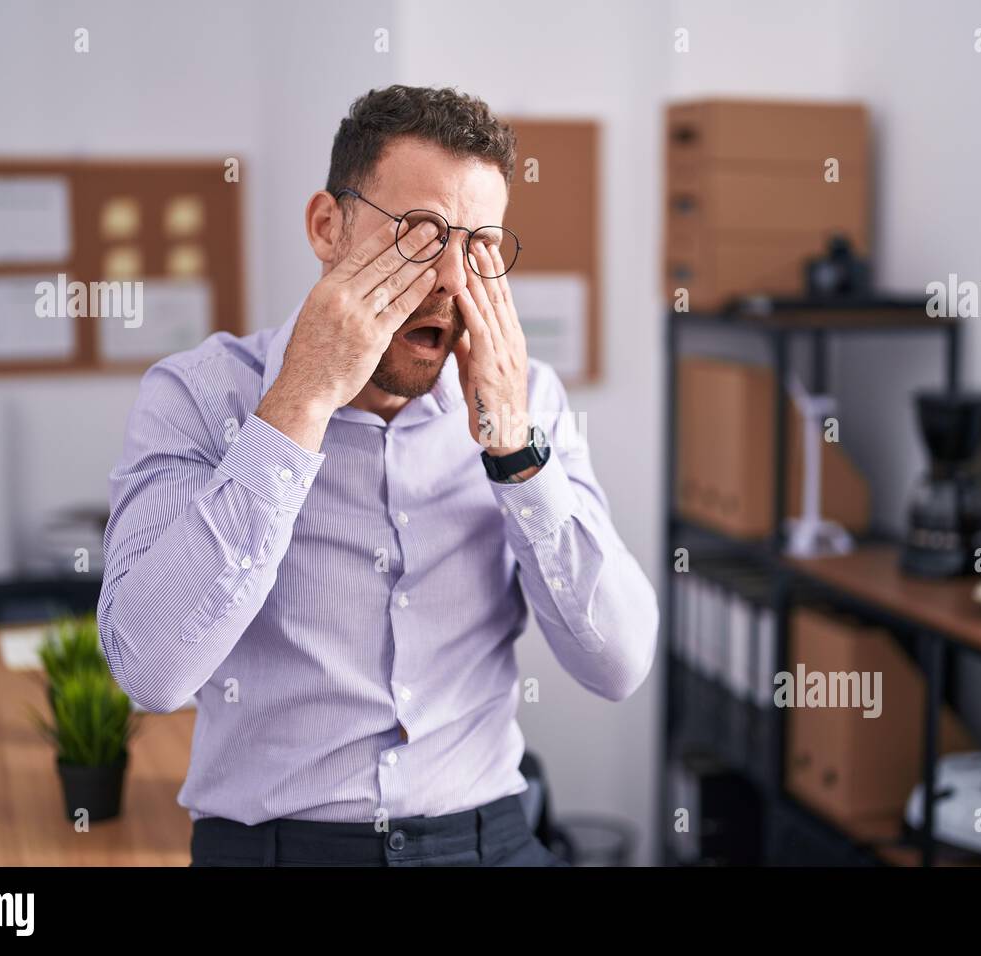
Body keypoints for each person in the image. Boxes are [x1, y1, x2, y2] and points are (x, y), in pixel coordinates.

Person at [99, 85, 657, 867]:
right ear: (328, 226)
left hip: (488, 838)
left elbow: (619, 665)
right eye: (423, 235)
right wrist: (299, 403)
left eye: (482, 247)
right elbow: (148, 670)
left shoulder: (527, 403)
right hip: (275, 850)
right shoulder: (199, 395)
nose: (455, 282)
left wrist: (516, 452)